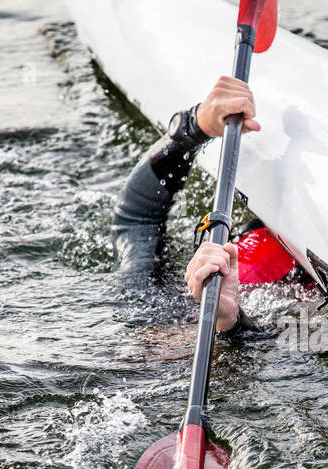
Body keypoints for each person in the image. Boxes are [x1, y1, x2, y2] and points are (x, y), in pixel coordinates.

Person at [110, 75, 265, 339]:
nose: (163, 348)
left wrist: (195, 126)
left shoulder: (148, 304)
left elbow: (135, 217)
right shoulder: (222, 310)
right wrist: (229, 321)